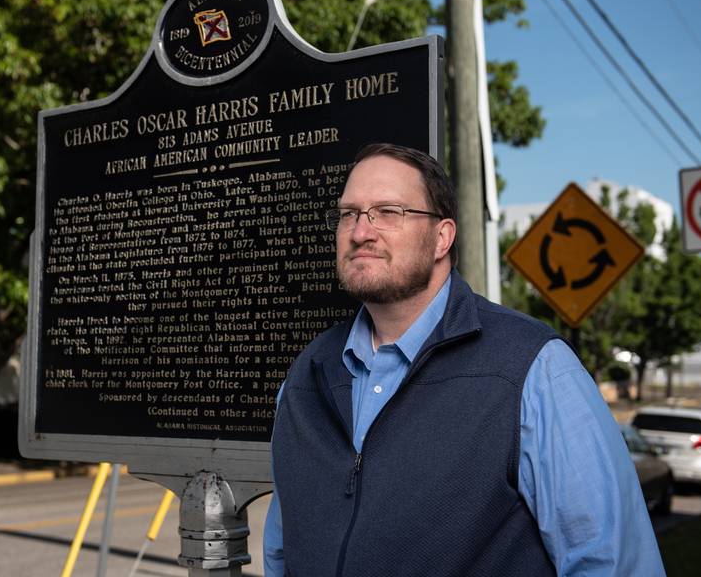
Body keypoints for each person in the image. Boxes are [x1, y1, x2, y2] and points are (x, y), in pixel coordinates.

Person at [263, 143, 665, 576]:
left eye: (389, 212)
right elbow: (282, 552)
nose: (361, 232)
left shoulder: (534, 370)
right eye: (349, 214)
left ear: (442, 238)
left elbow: (614, 563)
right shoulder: (304, 380)